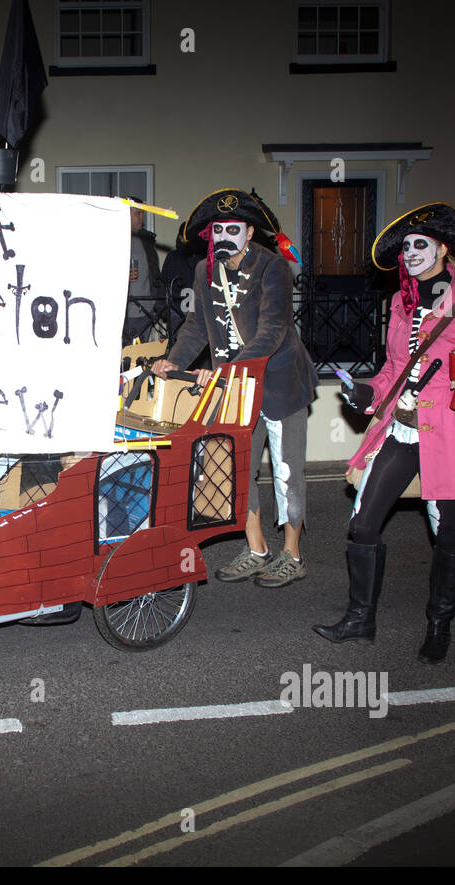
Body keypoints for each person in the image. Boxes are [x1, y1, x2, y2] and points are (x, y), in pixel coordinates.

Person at [313, 202, 455, 664]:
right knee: (362, 525)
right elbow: (395, 370)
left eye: (420, 244)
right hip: (402, 429)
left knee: (451, 537)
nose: (411, 253)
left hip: (449, 435)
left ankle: (438, 625)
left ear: (442, 249)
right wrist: (367, 391)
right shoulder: (401, 303)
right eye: (405, 248)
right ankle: (361, 620)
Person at [151, 188, 316, 588]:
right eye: (219, 229)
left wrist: (226, 370)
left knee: (286, 468)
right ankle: (257, 547)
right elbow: (196, 325)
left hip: (279, 383)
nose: (225, 235)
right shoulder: (204, 271)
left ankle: (292, 553)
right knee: (234, 465)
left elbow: (273, 330)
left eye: (234, 228)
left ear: (249, 232)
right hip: (236, 386)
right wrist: (176, 360)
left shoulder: (273, 267)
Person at [123, 198, 165, 344]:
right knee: (128, 359)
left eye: (142, 213)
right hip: (127, 311)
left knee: (145, 357)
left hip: (149, 309)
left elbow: (155, 273)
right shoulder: (116, 238)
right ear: (126, 214)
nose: (142, 217)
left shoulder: (146, 240)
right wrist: (123, 276)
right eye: (138, 213)